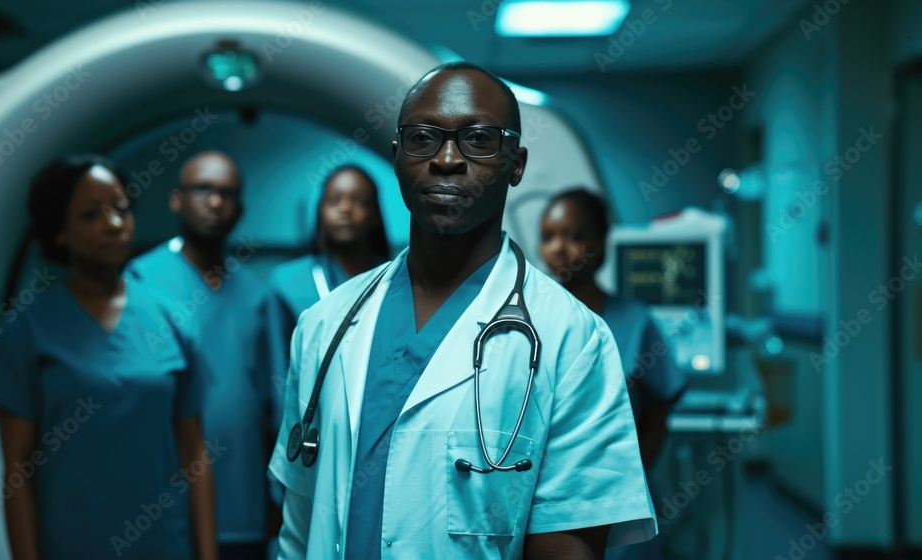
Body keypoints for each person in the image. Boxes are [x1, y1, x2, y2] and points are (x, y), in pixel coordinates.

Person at [269, 61, 656, 559]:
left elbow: (567, 547)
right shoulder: (324, 324)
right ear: (397, 158)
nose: (447, 158)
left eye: (478, 139)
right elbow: (299, 528)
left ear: (516, 164)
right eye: (423, 138)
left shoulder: (573, 339)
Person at [0, 154, 217, 560]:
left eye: (122, 208)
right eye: (91, 214)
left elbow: (195, 453)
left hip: (163, 546)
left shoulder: (171, 319)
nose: (114, 223)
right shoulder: (29, 330)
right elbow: (17, 473)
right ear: (59, 231)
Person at [126, 150, 292, 560]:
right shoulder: (140, 281)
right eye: (203, 189)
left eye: (227, 193)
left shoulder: (259, 295)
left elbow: (277, 409)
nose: (215, 202)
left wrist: (278, 497)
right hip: (160, 503)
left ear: (241, 209)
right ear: (176, 199)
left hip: (244, 500)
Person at [540, 189, 688, 560]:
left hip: (618, 500)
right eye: (548, 236)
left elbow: (660, 412)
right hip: (544, 496)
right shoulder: (533, 322)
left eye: (575, 236)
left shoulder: (635, 322)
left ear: (601, 242)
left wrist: (629, 481)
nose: (559, 248)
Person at [270, 165, 390, 320]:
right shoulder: (286, 282)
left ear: (375, 215)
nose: (345, 209)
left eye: (359, 201)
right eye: (334, 201)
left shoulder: (394, 278)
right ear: (320, 213)